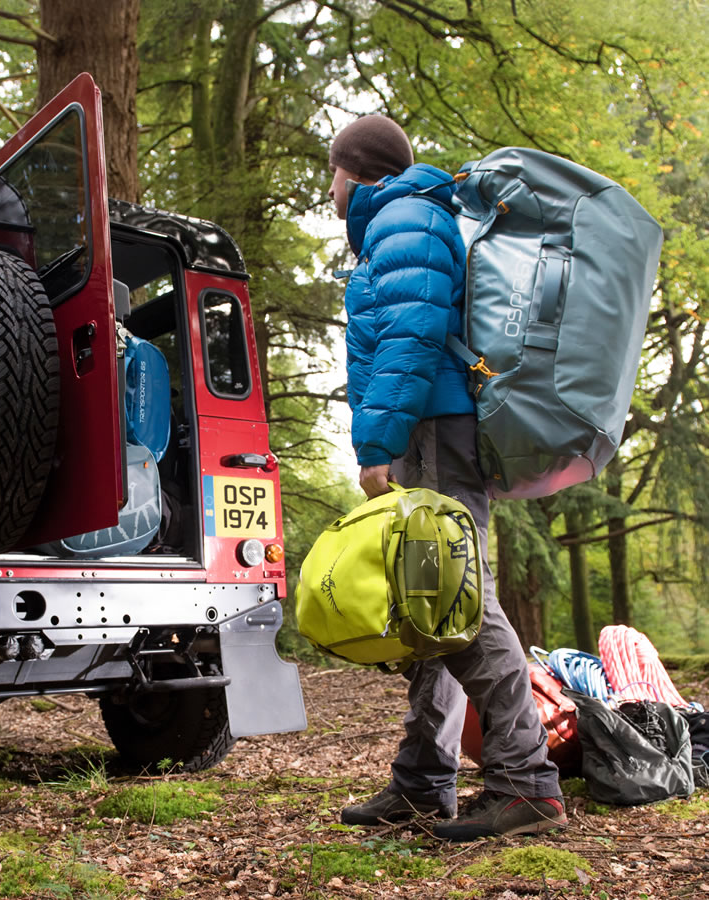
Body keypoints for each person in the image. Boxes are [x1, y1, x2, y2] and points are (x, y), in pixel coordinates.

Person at [327, 114, 566, 841]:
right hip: (429, 432)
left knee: (460, 601)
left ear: (359, 170)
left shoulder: (405, 218)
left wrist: (377, 444)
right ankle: (424, 782)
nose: (329, 186)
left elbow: (410, 337)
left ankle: (527, 783)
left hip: (432, 432)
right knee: (431, 603)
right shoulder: (401, 222)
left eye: (333, 170)